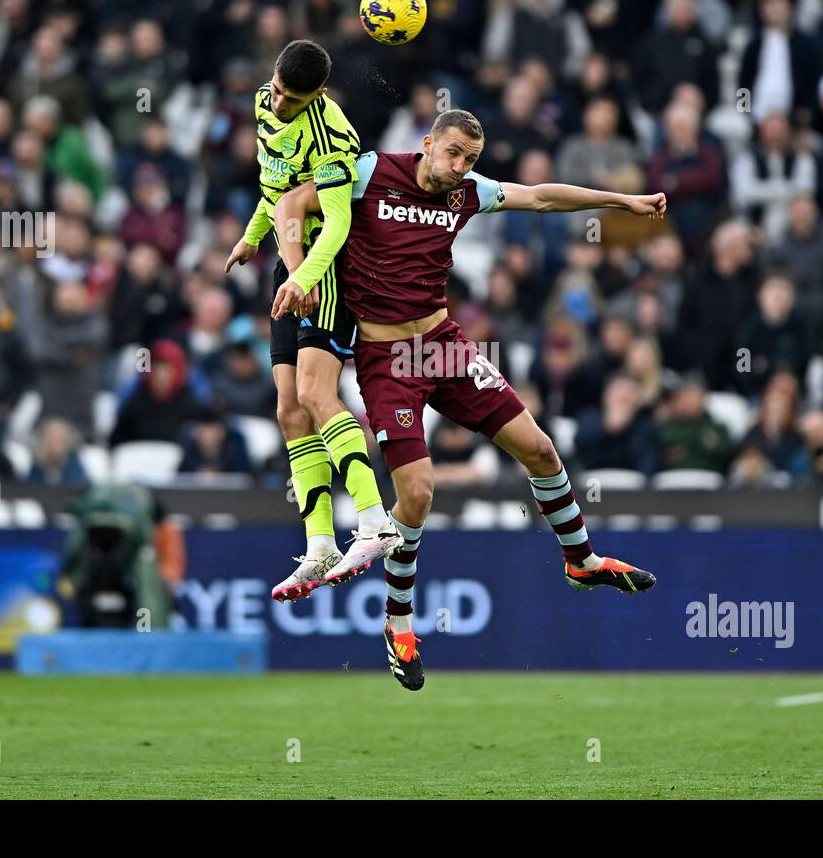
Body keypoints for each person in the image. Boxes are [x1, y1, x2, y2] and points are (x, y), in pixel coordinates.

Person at [270, 108, 666, 690]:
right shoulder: (368, 171)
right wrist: (299, 270)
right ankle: (399, 622)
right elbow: (291, 204)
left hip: (443, 347)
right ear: (427, 143)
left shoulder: (468, 194)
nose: (460, 167)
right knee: (419, 493)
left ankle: (580, 561)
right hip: (386, 361)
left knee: (540, 450)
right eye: (453, 153)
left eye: (471, 159)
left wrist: (621, 201)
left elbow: (540, 198)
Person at [222, 39, 401, 598]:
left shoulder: (332, 135)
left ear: (318, 96)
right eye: (276, 91)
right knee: (288, 409)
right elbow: (274, 192)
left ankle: (374, 520)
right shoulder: (262, 103)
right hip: (290, 261)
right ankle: (321, 545)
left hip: (331, 265)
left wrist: (303, 276)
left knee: (317, 394)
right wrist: (253, 239)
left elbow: (341, 223)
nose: (278, 104)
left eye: (293, 100)